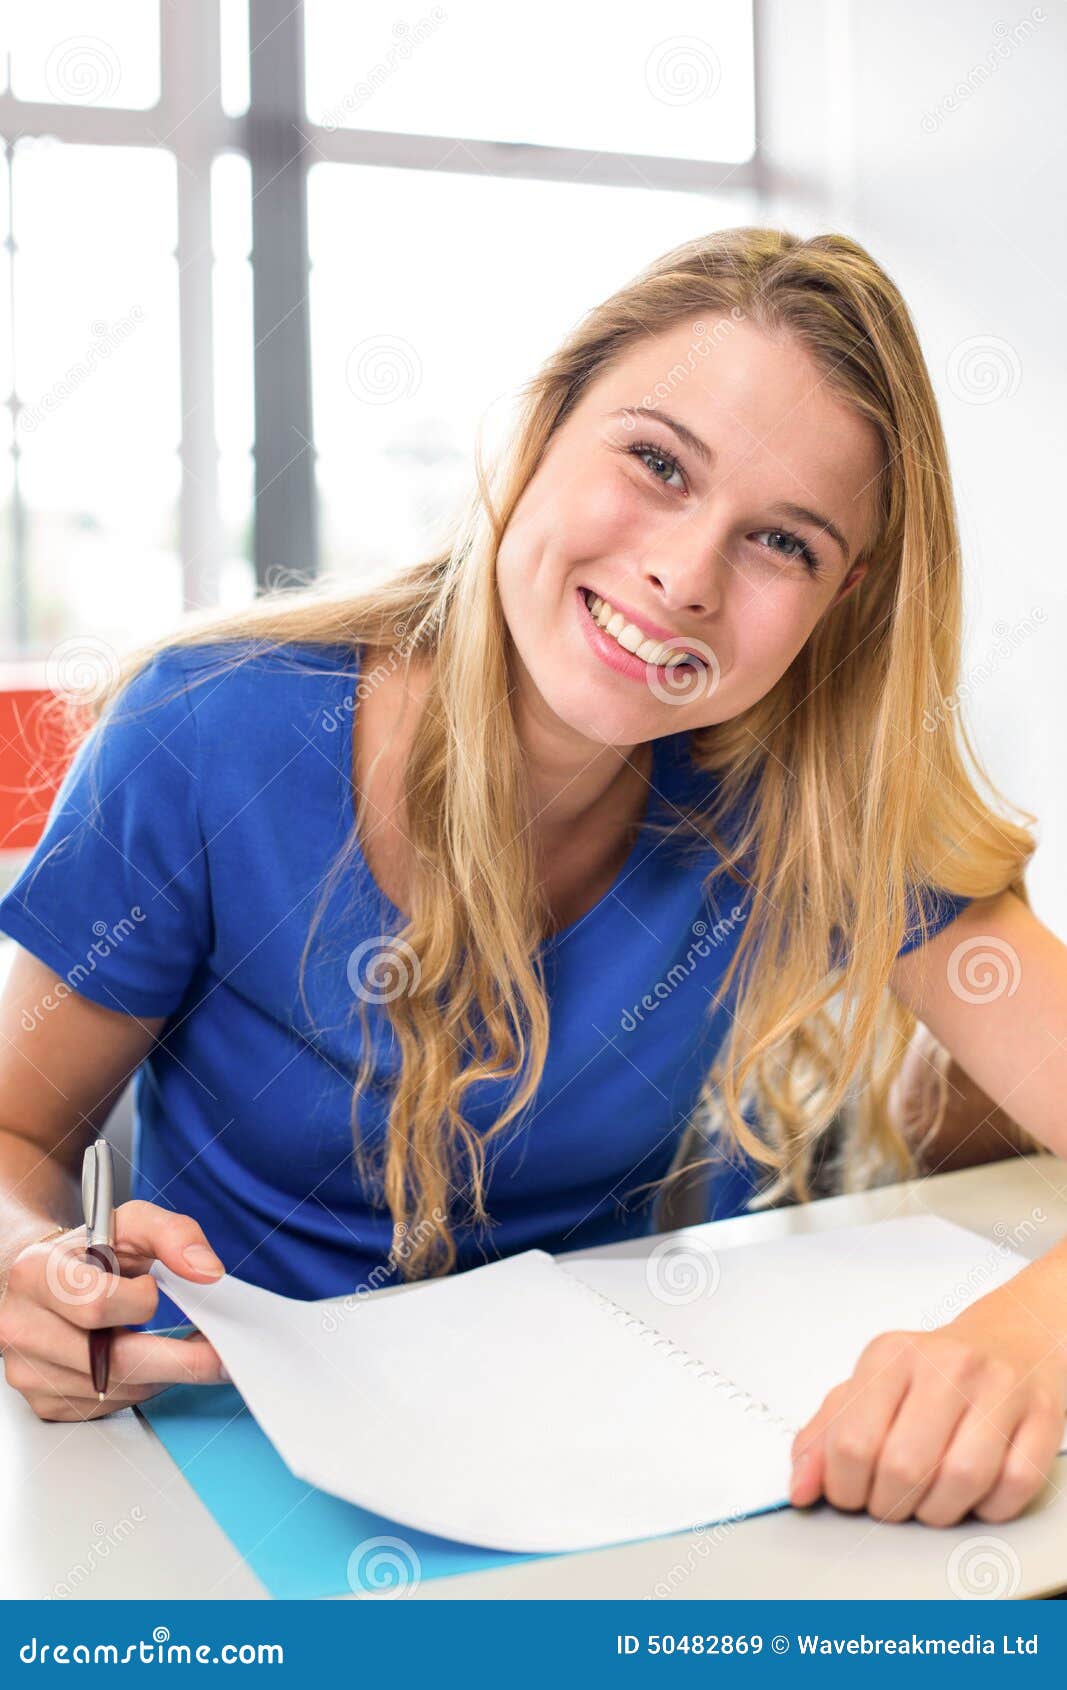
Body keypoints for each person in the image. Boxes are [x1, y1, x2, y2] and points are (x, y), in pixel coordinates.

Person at [0, 227, 1063, 1532]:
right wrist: (27, 1261)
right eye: (656, 461)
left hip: (660, 1482)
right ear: (539, 427)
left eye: (783, 542)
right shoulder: (206, 730)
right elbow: (16, 1136)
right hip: (221, 1460)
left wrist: (1030, 1341)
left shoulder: (811, 792)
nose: (683, 574)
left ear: (844, 598)